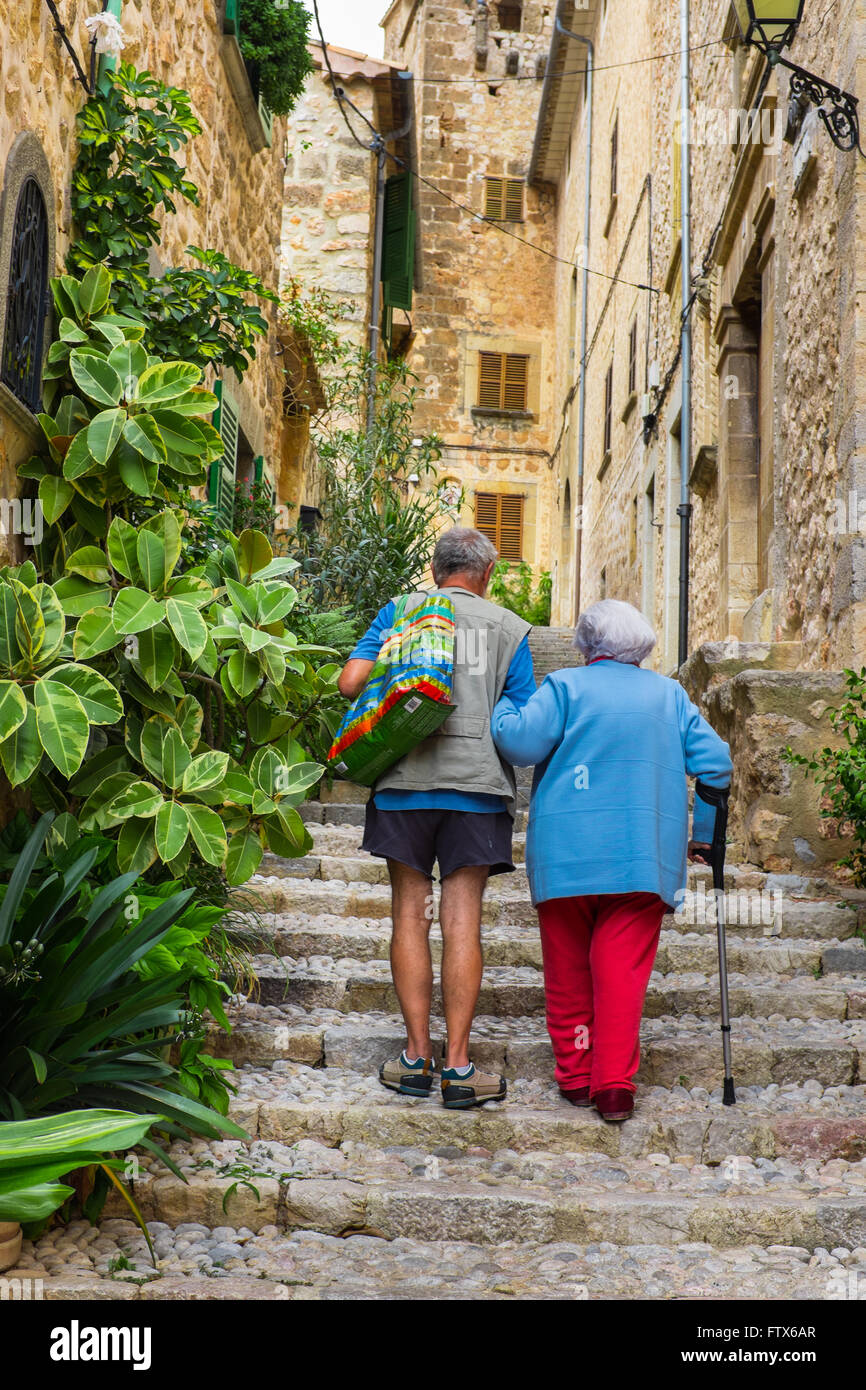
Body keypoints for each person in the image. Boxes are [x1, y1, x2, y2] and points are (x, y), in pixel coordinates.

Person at [491, 598, 732, 1123]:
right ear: (641, 647)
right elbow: (716, 765)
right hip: (643, 858)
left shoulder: (565, 688)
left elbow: (518, 742)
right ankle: (615, 1086)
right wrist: (706, 839)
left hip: (565, 856)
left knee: (569, 968)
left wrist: (505, 704)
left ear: (586, 645)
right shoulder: (670, 695)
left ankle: (577, 1078)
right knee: (621, 972)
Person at [337, 526, 537, 1109]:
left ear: (434, 571)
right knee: (461, 919)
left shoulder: (402, 612)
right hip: (475, 788)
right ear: (487, 575)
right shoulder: (509, 629)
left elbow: (350, 682)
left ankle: (415, 1058)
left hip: (404, 783)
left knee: (408, 913)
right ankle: (458, 1068)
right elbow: (517, 721)